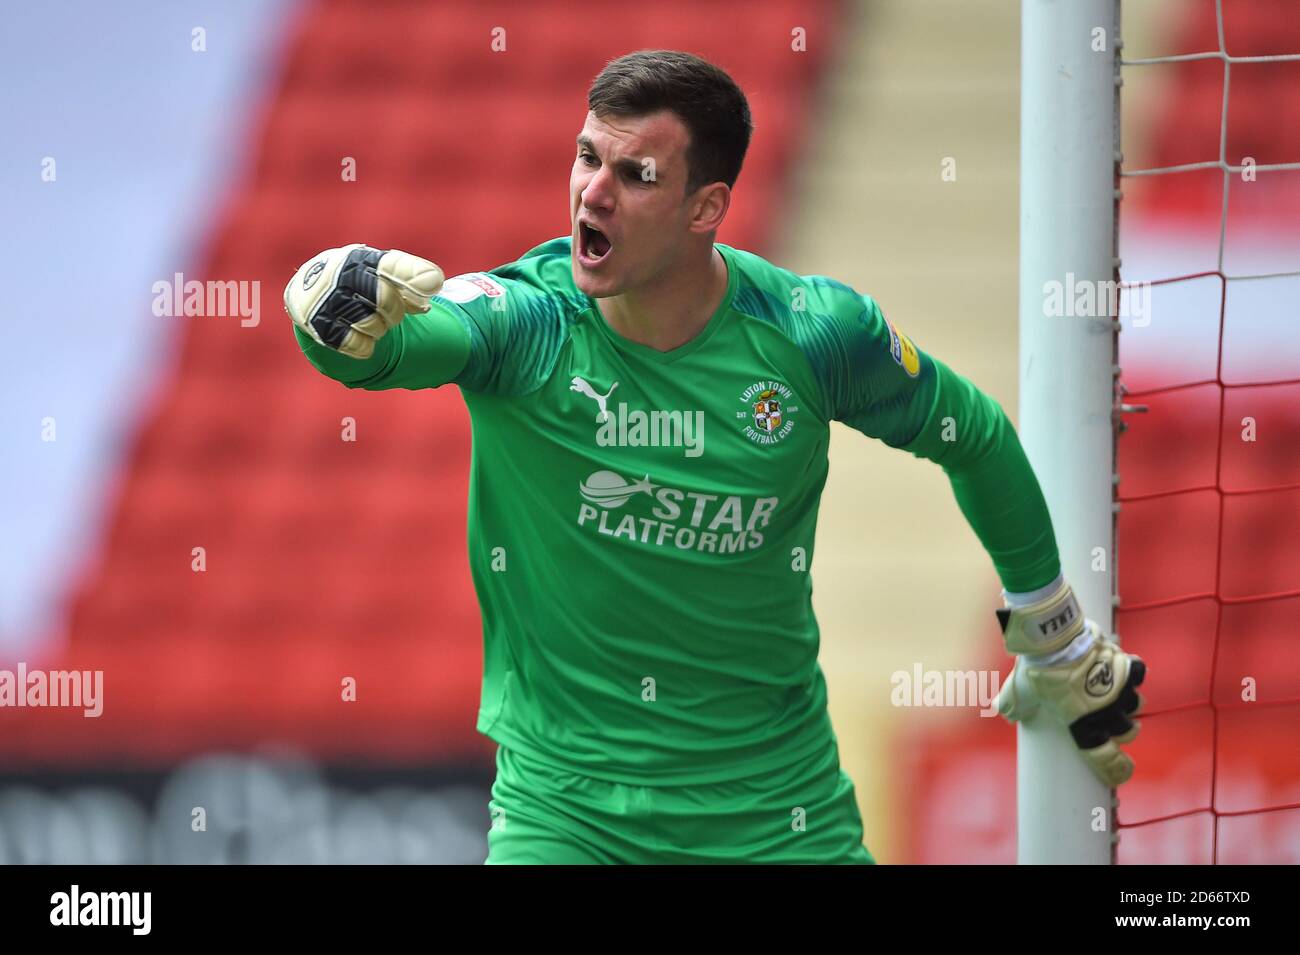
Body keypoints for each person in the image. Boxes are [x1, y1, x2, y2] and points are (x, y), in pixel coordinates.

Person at [284, 49, 1145, 864]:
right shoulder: (527, 324)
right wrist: (329, 310)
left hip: (777, 811)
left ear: (707, 207)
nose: (593, 194)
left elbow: (975, 436)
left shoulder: (814, 337)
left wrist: (1055, 635)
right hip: (566, 811)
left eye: (636, 175)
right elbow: (390, 347)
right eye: (587, 158)